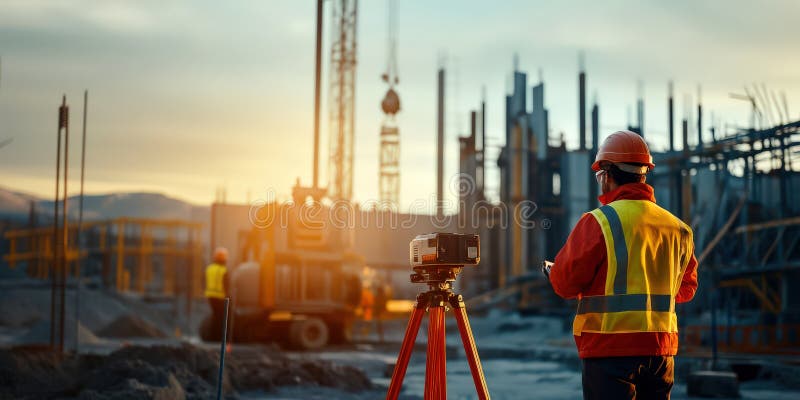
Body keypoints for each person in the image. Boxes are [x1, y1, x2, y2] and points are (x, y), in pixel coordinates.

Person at [547, 130, 698, 400]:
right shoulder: (679, 229)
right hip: (661, 352)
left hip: (609, 350)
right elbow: (686, 290)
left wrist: (554, 272)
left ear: (606, 173)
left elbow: (565, 283)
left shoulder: (599, 221)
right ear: (643, 173)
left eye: (599, 175)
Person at [204, 247, 230, 338]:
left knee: (215, 316)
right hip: (220, 296)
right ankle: (216, 336)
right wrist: (228, 296)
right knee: (220, 318)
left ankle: (212, 335)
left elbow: (203, 280)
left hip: (210, 296)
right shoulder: (223, 270)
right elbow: (226, 285)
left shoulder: (209, 268)